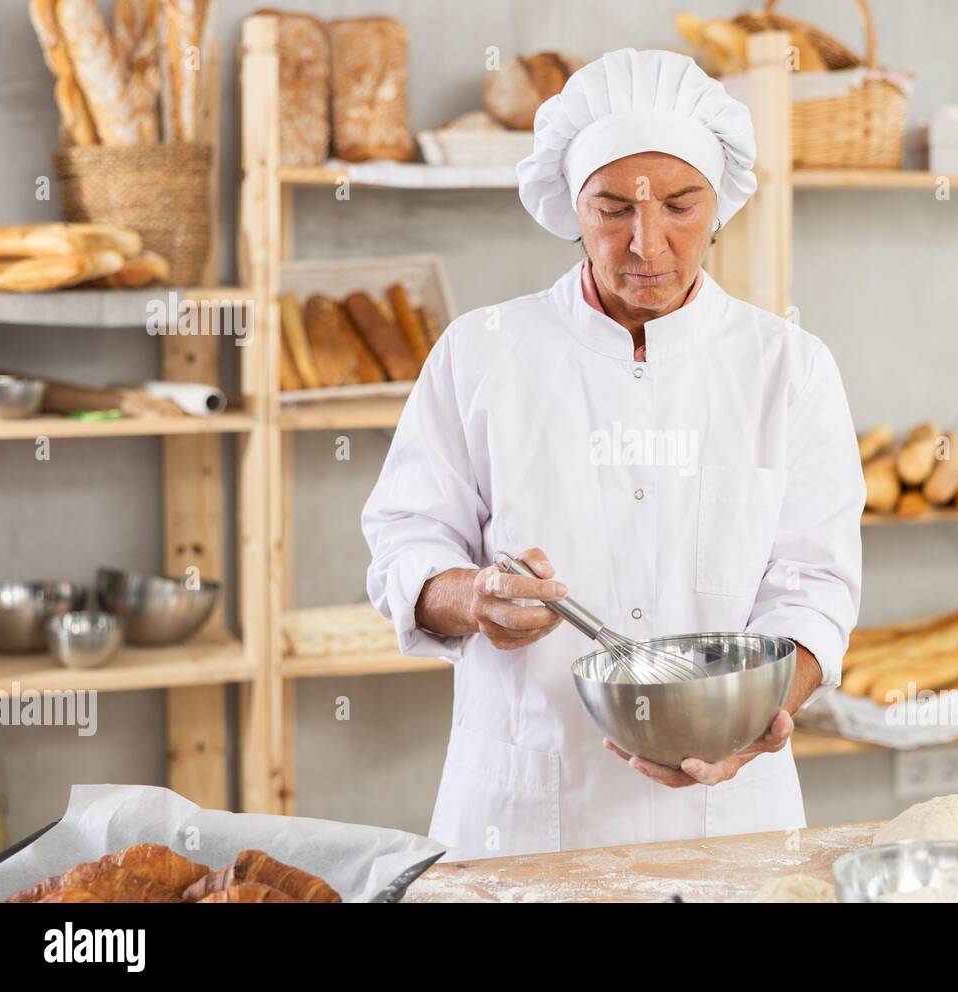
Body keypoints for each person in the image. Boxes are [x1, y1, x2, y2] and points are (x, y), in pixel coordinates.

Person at [363, 47, 864, 861]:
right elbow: (403, 542)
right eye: (612, 209)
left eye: (679, 203)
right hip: (521, 813)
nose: (648, 243)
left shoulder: (789, 368)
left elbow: (815, 585)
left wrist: (762, 715)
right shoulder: (483, 351)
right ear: (571, 204)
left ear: (720, 200)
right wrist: (471, 596)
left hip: (733, 822)